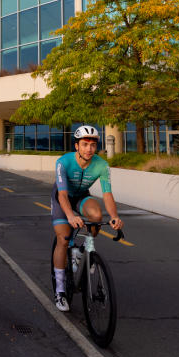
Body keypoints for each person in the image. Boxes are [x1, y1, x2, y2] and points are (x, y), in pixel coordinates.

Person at [51, 125, 122, 311]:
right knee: (64, 238)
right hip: (63, 197)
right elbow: (63, 195)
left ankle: (83, 250)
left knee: (97, 215)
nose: (89, 149)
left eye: (92, 145)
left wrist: (114, 217)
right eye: (84, 144)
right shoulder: (63, 162)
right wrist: (70, 215)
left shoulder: (101, 165)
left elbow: (107, 194)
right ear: (77, 146)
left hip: (82, 195)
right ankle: (60, 291)